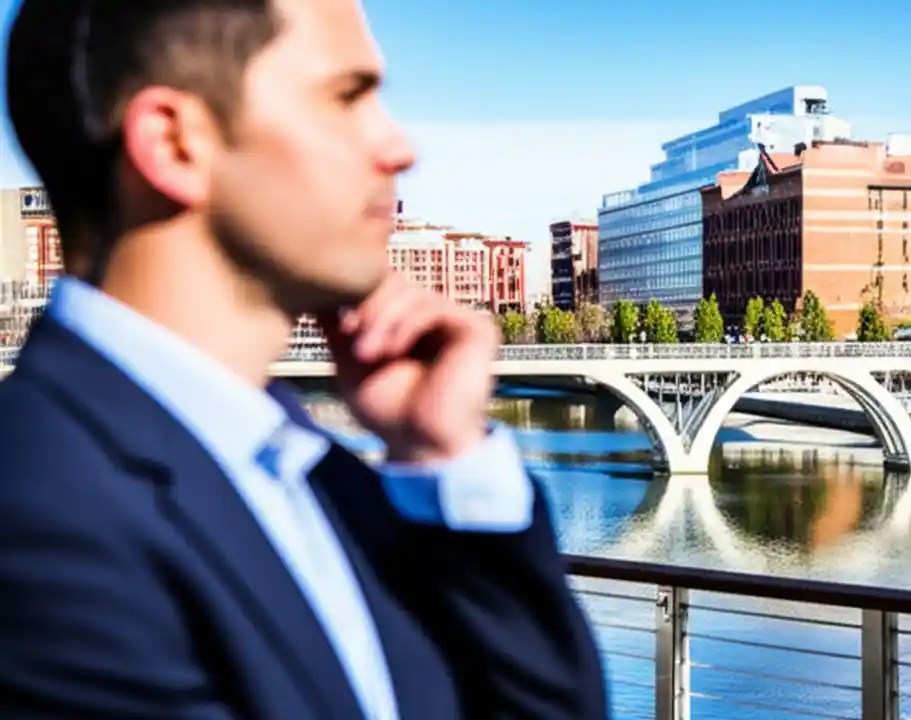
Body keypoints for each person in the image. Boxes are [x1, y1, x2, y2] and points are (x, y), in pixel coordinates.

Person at [0, 1, 607, 718]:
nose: (399, 148)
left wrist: (448, 459)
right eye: (345, 99)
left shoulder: (317, 472)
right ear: (173, 143)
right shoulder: (39, 521)